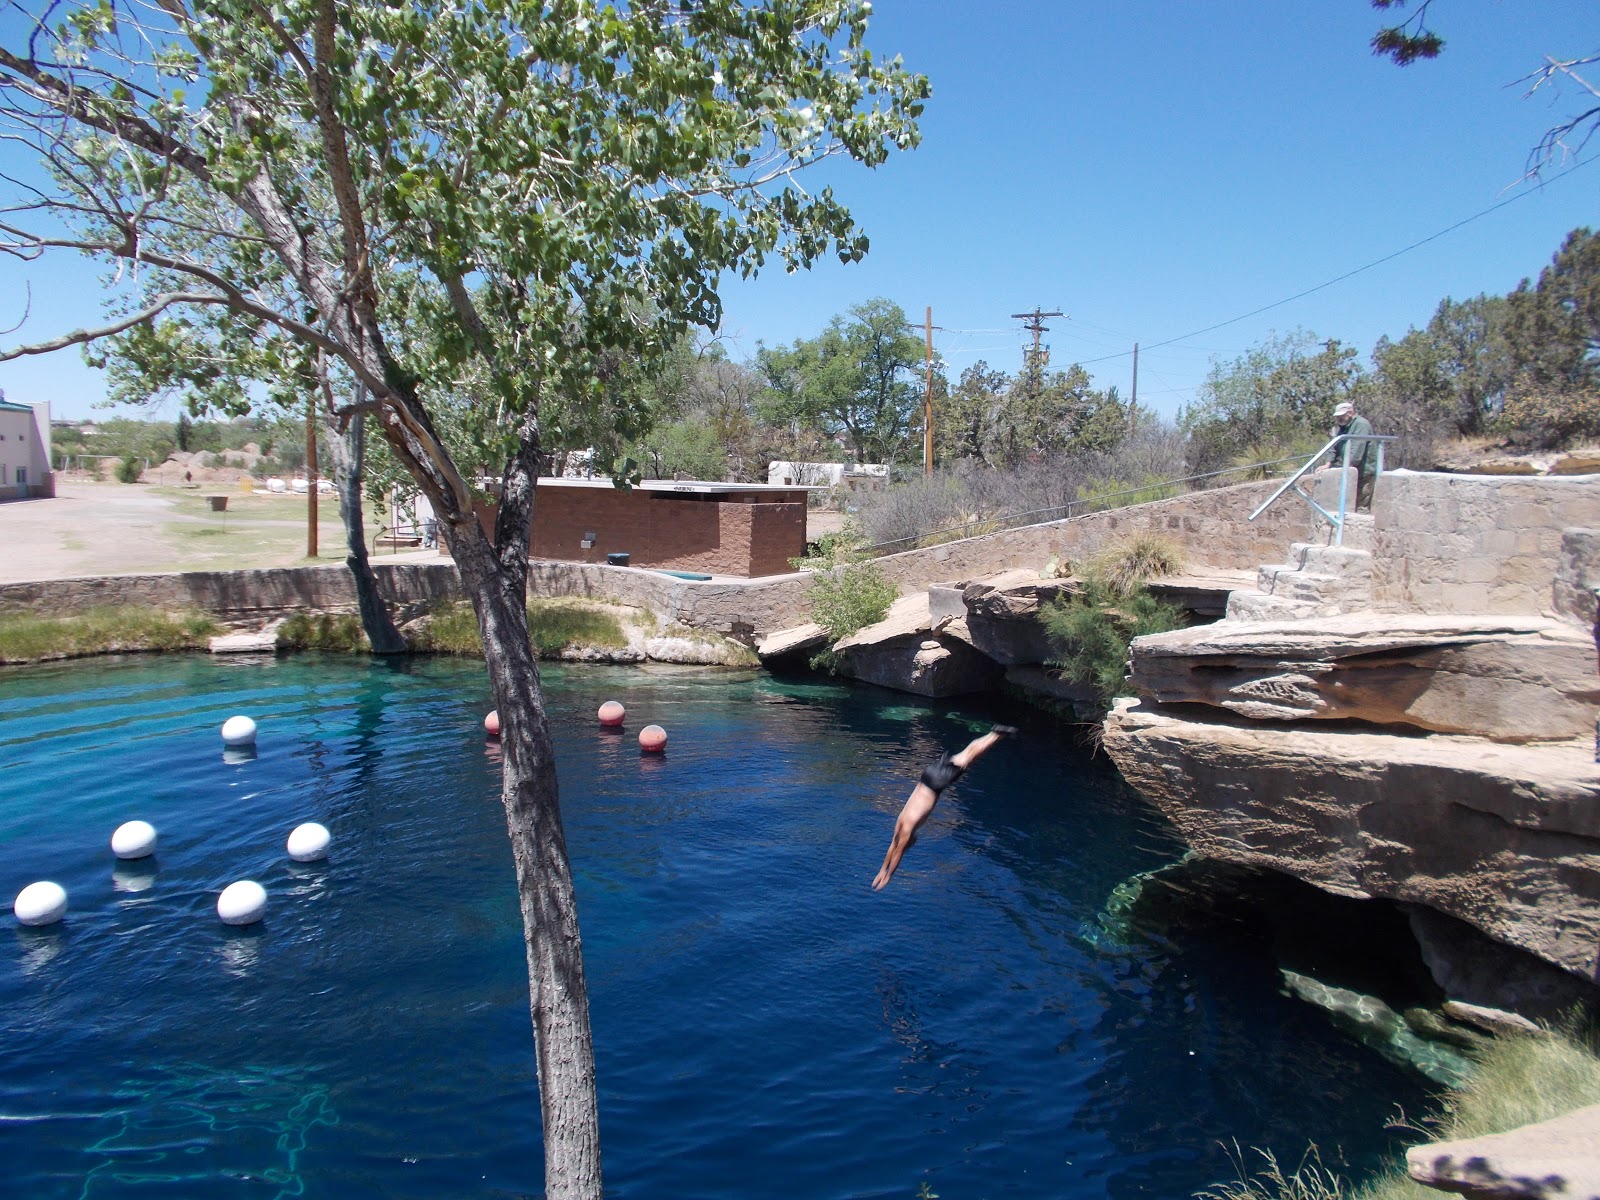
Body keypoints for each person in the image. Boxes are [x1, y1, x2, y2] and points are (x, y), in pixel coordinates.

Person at [871, 725, 1016, 891]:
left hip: (936, 783)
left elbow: (897, 852)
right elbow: (892, 848)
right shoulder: (900, 824)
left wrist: (888, 876)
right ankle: (994, 733)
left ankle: (996, 736)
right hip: (927, 776)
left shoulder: (906, 831)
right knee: (965, 754)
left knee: (970, 758)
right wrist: (882, 870)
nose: (904, 846)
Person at [1320, 399, 1377, 512]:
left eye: (1342, 415)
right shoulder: (1343, 427)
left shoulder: (1361, 424)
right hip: (1349, 469)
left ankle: (1360, 521)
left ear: (1350, 413)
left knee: (1361, 504)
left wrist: (1348, 465)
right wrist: (1328, 463)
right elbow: (1334, 445)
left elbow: (1357, 448)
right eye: (1338, 416)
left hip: (1364, 471)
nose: (1339, 418)